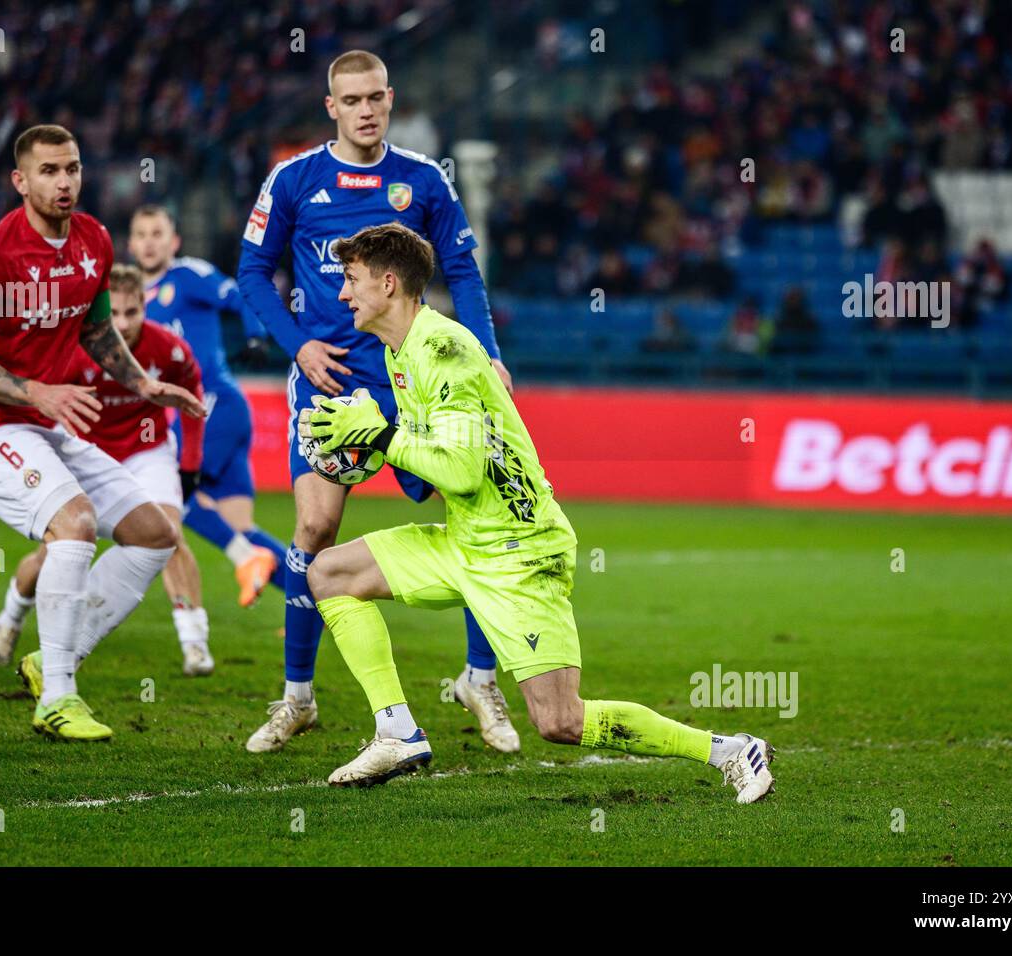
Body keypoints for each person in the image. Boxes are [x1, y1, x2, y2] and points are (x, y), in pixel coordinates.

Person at [299, 222, 775, 802]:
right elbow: (428, 466)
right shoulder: (398, 351)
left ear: (390, 283)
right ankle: (396, 731)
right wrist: (364, 449)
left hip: (520, 552)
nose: (343, 293)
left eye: (351, 280)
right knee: (329, 573)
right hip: (465, 540)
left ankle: (728, 749)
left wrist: (377, 435)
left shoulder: (442, 350)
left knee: (560, 722)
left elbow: (460, 471)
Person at [236, 50, 519, 754]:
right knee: (314, 528)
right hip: (330, 381)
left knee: (476, 515)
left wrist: (487, 354)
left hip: (416, 380)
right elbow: (250, 271)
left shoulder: (423, 180)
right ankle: (298, 697)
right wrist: (297, 345)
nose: (365, 110)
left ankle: (479, 679)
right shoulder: (294, 179)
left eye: (376, 98)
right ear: (330, 106)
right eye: (351, 100)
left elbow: (462, 270)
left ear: (390, 100)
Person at [0, 124, 204, 741]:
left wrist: (142, 384)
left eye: (73, 169)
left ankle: (49, 659)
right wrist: (38, 391)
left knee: (154, 536)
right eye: (50, 172)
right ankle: (57, 698)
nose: (65, 182)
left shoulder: (94, 240)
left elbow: (93, 330)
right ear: (21, 181)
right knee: (77, 523)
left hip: (44, 423)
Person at [0, 264, 221, 677]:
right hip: (86, 454)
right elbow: (40, 405)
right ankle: (11, 616)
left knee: (169, 534)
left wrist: (190, 466)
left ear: (146, 307)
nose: (124, 323)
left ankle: (194, 643)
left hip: (146, 452)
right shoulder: (74, 352)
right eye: (116, 314)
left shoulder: (170, 350)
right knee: (52, 553)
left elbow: (193, 402)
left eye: (133, 312)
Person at [128, 205, 285, 608]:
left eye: (157, 233)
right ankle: (319, 603)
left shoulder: (188, 276)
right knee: (239, 526)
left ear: (174, 242)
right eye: (141, 234)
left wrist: (255, 336)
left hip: (212, 406)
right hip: (204, 416)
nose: (149, 242)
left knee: (172, 496)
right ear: (130, 244)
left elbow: (242, 295)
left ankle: (244, 560)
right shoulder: (128, 302)